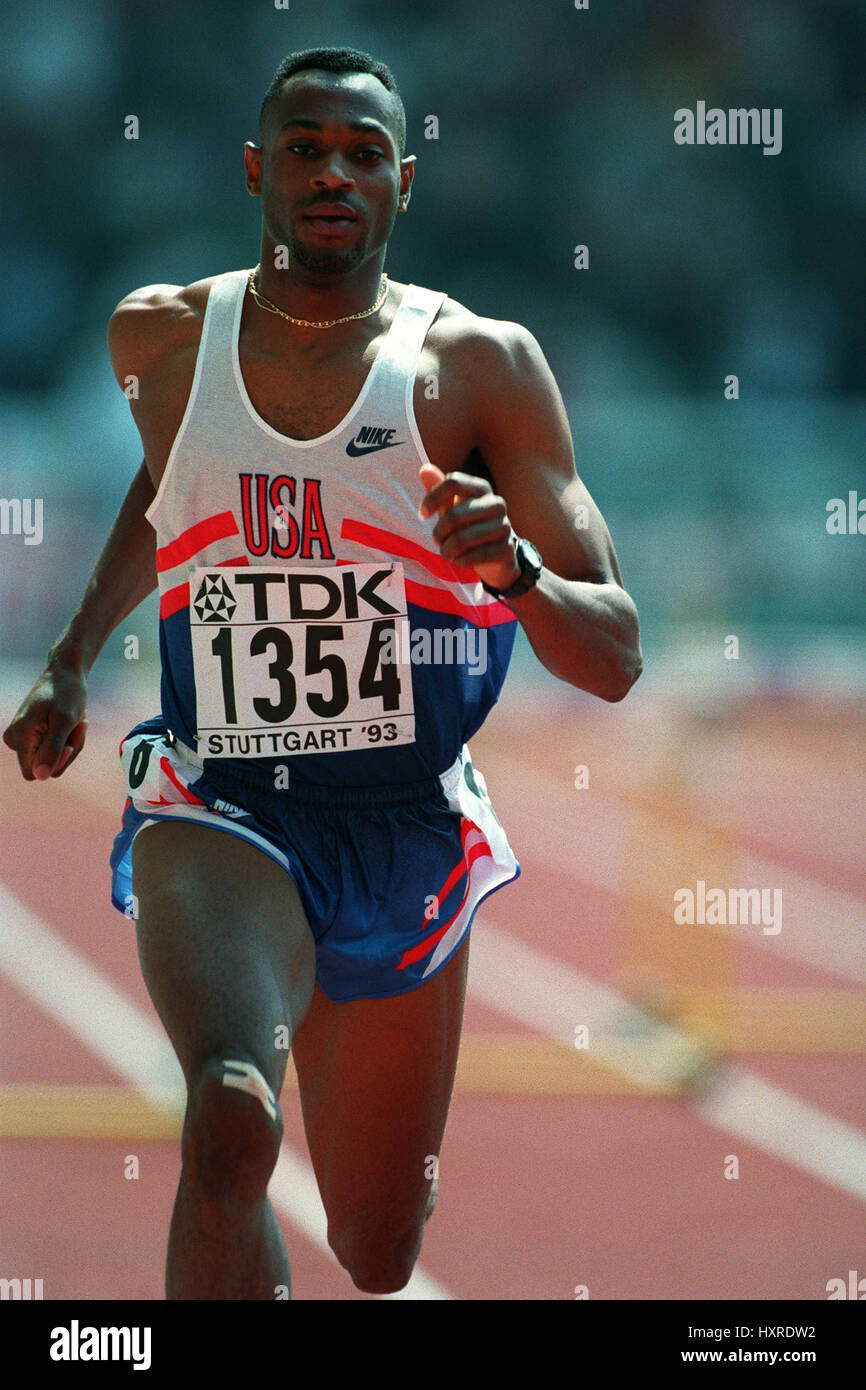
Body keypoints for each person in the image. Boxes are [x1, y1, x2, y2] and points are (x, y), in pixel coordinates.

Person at [3, 46, 642, 1299]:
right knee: (230, 1116)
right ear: (256, 170)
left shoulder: (480, 367)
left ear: (403, 183)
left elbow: (613, 653)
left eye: (361, 154)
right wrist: (72, 658)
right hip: (224, 799)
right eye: (304, 149)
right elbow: (172, 487)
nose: (332, 173)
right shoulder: (161, 336)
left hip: (403, 823)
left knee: (376, 1247)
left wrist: (508, 570)